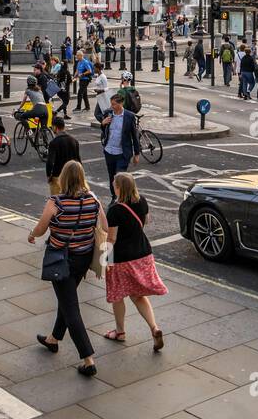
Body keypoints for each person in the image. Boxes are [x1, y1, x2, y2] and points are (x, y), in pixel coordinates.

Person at [29, 160, 108, 376]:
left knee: (71, 309)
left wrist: (32, 235)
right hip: (83, 258)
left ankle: (88, 359)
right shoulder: (94, 200)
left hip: (60, 259)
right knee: (68, 299)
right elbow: (105, 227)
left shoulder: (56, 203)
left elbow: (42, 227)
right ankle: (53, 339)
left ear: (63, 178)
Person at [103, 172, 167, 348]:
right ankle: (154, 328)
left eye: (114, 185)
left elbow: (111, 239)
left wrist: (106, 260)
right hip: (143, 254)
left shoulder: (115, 210)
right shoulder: (142, 201)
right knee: (138, 296)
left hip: (122, 259)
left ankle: (120, 331)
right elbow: (146, 220)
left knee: (117, 295)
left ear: (118, 188)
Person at [100, 92, 141, 198]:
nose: (112, 106)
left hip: (122, 153)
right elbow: (105, 131)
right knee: (112, 178)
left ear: (121, 103)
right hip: (109, 151)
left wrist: (137, 154)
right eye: (111, 104)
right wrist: (103, 124)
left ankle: (121, 199)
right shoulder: (108, 113)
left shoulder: (129, 116)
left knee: (119, 178)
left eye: (114, 104)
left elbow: (134, 135)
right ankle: (114, 198)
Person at [45, 117, 80, 195]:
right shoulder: (74, 141)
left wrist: (49, 176)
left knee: (56, 201)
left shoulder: (54, 142)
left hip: (58, 176)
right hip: (71, 176)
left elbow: (50, 162)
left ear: (55, 127)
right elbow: (78, 160)